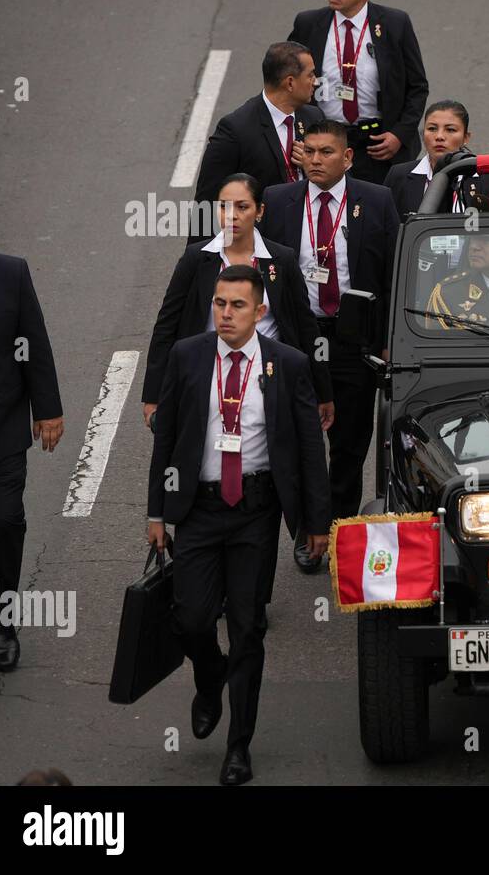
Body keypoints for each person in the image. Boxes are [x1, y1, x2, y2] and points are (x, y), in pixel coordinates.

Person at [147, 266, 330, 785]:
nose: (225, 314)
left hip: (254, 511)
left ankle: (238, 747)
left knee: (248, 627)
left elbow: (309, 447)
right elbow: (167, 440)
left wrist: (317, 522)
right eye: (220, 304)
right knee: (191, 618)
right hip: (199, 510)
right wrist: (156, 510)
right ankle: (210, 677)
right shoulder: (188, 357)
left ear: (260, 312)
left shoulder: (287, 365)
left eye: (238, 306)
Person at [259, 121, 397, 571]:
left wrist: (390, 338)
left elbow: (396, 273)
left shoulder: (375, 201)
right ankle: (306, 526)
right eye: (310, 152)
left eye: (326, 153)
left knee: (350, 443)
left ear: (348, 158)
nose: (315, 160)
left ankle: (335, 530)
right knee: (296, 436)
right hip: (298, 338)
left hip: (352, 338)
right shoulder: (278, 201)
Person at [143, 174, 334, 429]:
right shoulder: (196, 259)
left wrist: (322, 392)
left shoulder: (282, 259)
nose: (231, 215)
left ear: (259, 211)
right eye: (224, 206)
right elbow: (167, 325)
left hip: (270, 379)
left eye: (242, 207)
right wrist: (153, 395)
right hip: (207, 378)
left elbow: (305, 326)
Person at [0, 213, 64, 672]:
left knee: (2, 525)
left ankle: (2, 626)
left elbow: (33, 340)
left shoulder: (7, 274)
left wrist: (47, 409)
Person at [288, 0, 429, 185]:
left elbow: (417, 86)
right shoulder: (308, 24)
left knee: (380, 214)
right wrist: (300, 136)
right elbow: (288, 84)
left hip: (379, 146)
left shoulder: (394, 23)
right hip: (325, 143)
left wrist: (399, 135)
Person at [190, 43, 324, 239]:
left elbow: (339, 178)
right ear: (290, 83)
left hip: (312, 236)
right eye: (310, 75)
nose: (316, 82)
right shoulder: (235, 129)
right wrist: (201, 262)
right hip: (263, 244)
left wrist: (311, 164)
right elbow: (207, 201)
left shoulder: (314, 118)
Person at [384, 100, 489, 217]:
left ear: (466, 137)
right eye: (432, 129)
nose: (439, 136)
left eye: (450, 130)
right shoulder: (399, 175)